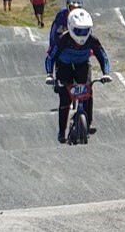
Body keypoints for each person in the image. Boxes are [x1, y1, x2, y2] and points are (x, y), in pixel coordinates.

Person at [45, 8, 111, 141]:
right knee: (65, 99)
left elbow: (103, 56)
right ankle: (62, 131)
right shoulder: (63, 39)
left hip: (82, 65)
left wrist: (106, 73)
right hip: (64, 66)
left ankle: (89, 121)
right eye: (78, 31)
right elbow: (50, 57)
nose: (82, 35)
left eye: (85, 30)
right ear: (70, 27)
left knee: (87, 91)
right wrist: (49, 75)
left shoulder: (92, 40)